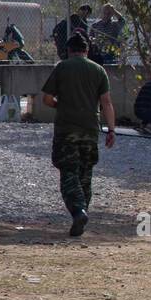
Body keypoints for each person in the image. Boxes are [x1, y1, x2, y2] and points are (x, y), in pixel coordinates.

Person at [41, 31, 115, 237]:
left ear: (68, 50)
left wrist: (61, 105)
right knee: (85, 174)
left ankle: (78, 211)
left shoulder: (62, 68)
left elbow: (46, 99)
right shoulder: (99, 70)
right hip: (91, 129)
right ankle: (83, 212)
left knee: (68, 171)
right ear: (87, 50)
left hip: (66, 129)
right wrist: (111, 130)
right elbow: (107, 103)